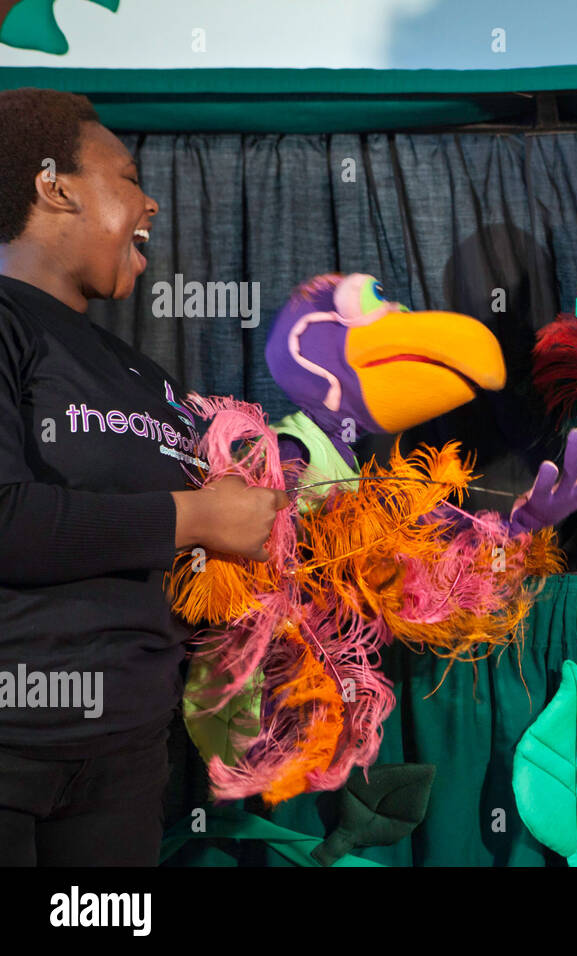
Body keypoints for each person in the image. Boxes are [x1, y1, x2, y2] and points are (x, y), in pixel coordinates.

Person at [0, 88, 288, 866]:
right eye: (126, 177)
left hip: (124, 766)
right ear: (54, 186)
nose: (150, 200)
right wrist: (193, 519)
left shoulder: (142, 375)